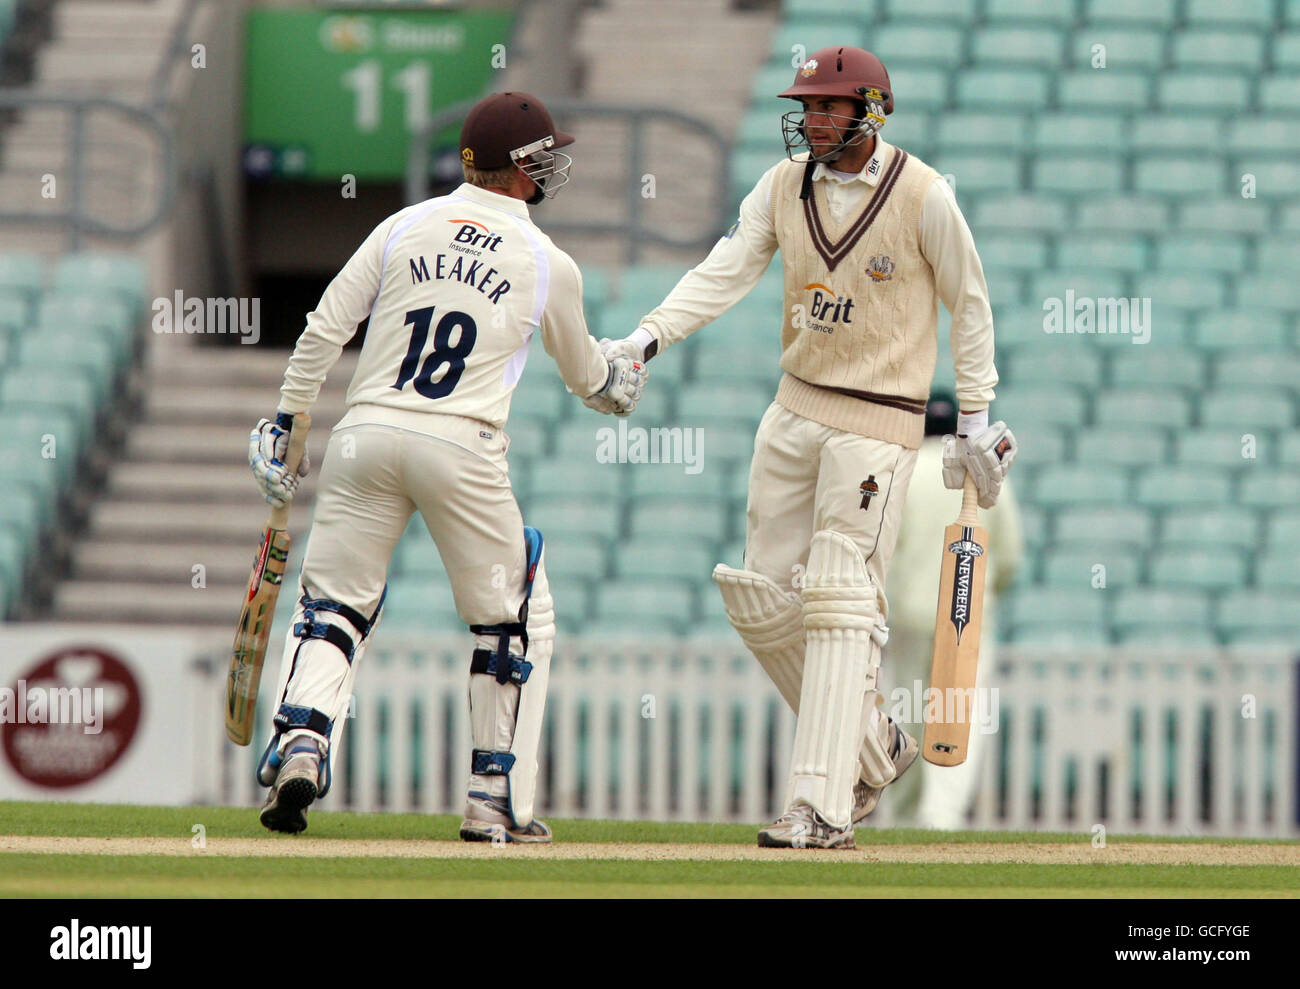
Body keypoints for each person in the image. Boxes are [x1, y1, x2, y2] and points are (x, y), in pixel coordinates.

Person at [600, 47, 1017, 847]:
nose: (812, 119)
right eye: (807, 106)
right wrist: (644, 339)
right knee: (760, 593)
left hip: (878, 419)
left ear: (871, 110)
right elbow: (724, 270)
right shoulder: (781, 186)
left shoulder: (925, 195)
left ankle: (820, 805)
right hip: (792, 410)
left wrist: (972, 419)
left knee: (836, 596)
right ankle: (874, 744)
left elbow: (971, 303)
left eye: (828, 107)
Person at [247, 91, 646, 842]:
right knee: (506, 618)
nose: (552, 165)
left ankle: (305, 735)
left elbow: (324, 327)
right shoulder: (544, 260)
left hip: (365, 436)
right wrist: (615, 383)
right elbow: (586, 372)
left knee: (333, 606)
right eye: (545, 156)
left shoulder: (402, 225)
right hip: (461, 446)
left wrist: (289, 429)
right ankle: (490, 797)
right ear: (524, 168)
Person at [883, 391, 1023, 830]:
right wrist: (986, 597)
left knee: (908, 710)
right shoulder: (985, 476)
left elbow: (884, 548)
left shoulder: (900, 471)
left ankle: (904, 815)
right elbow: (1009, 555)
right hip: (968, 619)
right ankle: (940, 817)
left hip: (908, 614)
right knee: (956, 710)